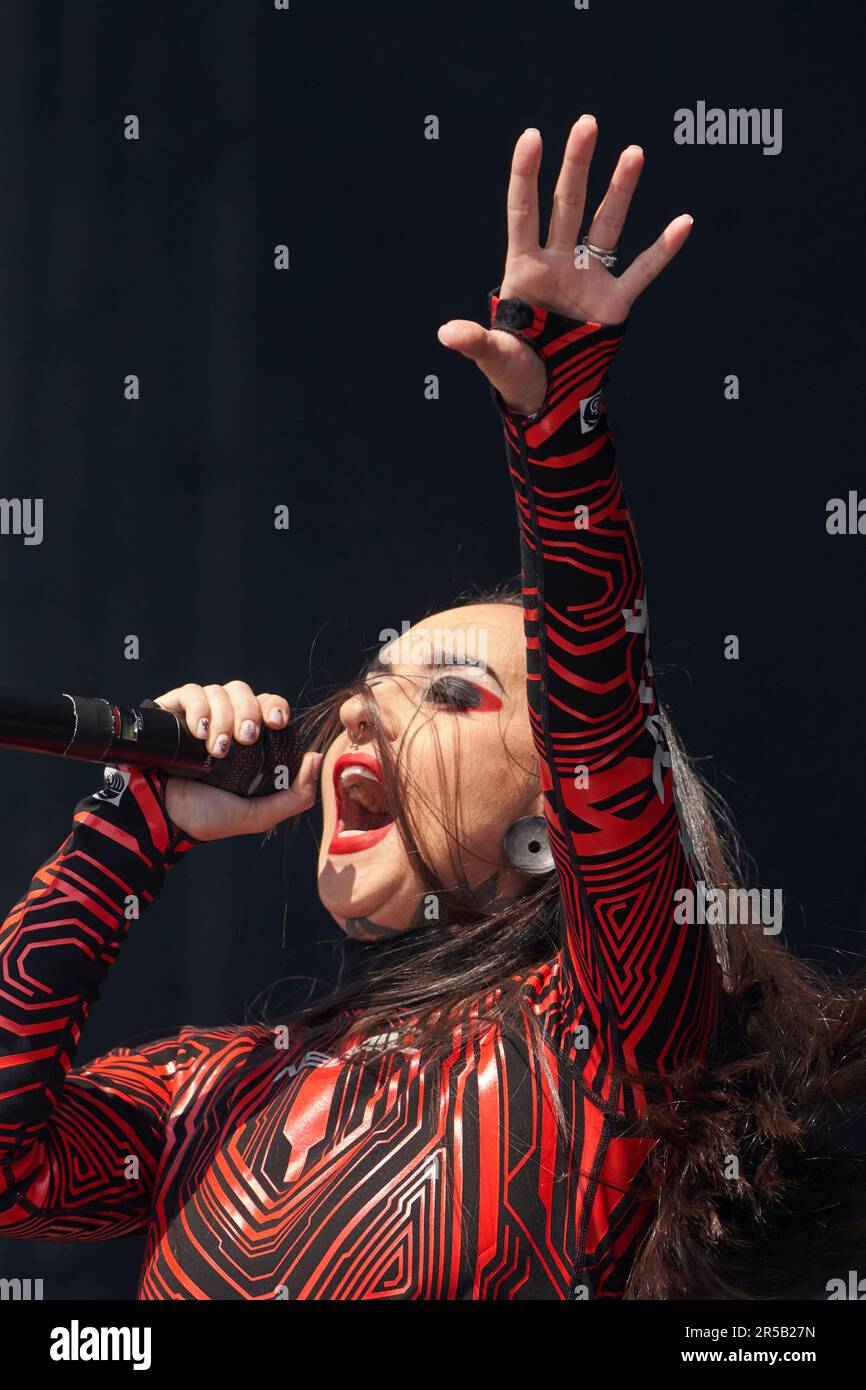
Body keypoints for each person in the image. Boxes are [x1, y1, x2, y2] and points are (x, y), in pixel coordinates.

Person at [1, 117, 864, 1301]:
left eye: (451, 694)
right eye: (370, 684)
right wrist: (127, 826)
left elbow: (600, 718)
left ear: (549, 820)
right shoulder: (218, 1089)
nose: (357, 714)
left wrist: (557, 436)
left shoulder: (605, 1035)